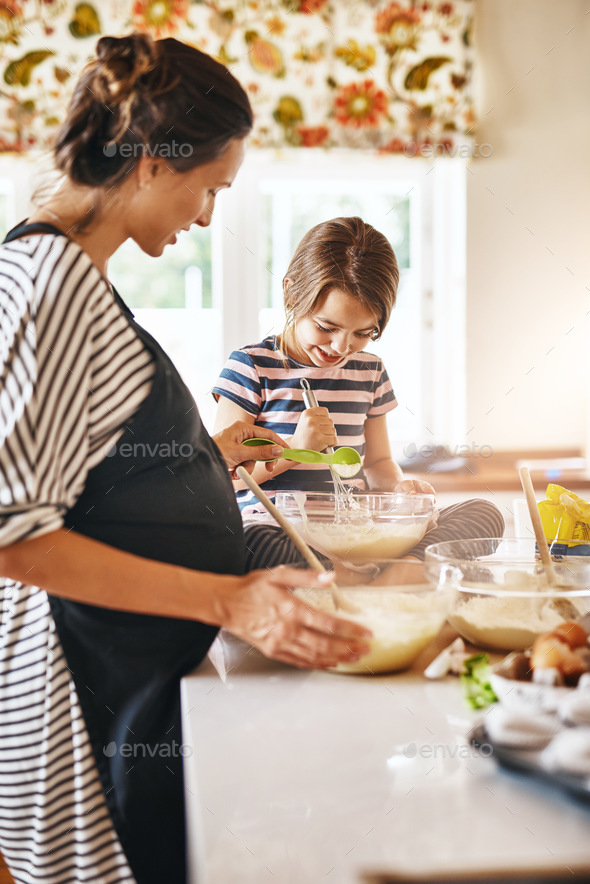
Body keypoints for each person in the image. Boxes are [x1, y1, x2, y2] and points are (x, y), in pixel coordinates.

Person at [0, 34, 372, 884]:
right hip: (88, 701)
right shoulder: (51, 287)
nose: (207, 216)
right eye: (210, 188)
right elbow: (14, 536)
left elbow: (89, 477)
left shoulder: (61, 276)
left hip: (127, 682)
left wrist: (206, 459)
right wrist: (229, 600)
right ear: (148, 163)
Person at [213, 217, 504, 570]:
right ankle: (381, 578)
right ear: (291, 291)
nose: (341, 346)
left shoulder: (369, 371)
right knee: (250, 540)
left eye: (363, 333)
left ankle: (383, 575)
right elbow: (224, 480)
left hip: (357, 531)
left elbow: (378, 464)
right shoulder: (251, 367)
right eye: (326, 327)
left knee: (484, 514)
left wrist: (401, 491)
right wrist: (295, 451)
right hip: (281, 528)